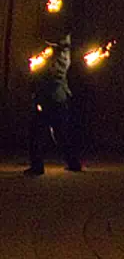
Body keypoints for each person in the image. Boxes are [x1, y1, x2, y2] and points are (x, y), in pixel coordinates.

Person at [26, 33, 82, 175]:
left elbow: (51, 76)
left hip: (50, 98)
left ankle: (37, 166)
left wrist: (37, 73)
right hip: (59, 97)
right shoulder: (62, 54)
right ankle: (73, 162)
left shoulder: (58, 56)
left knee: (37, 132)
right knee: (60, 133)